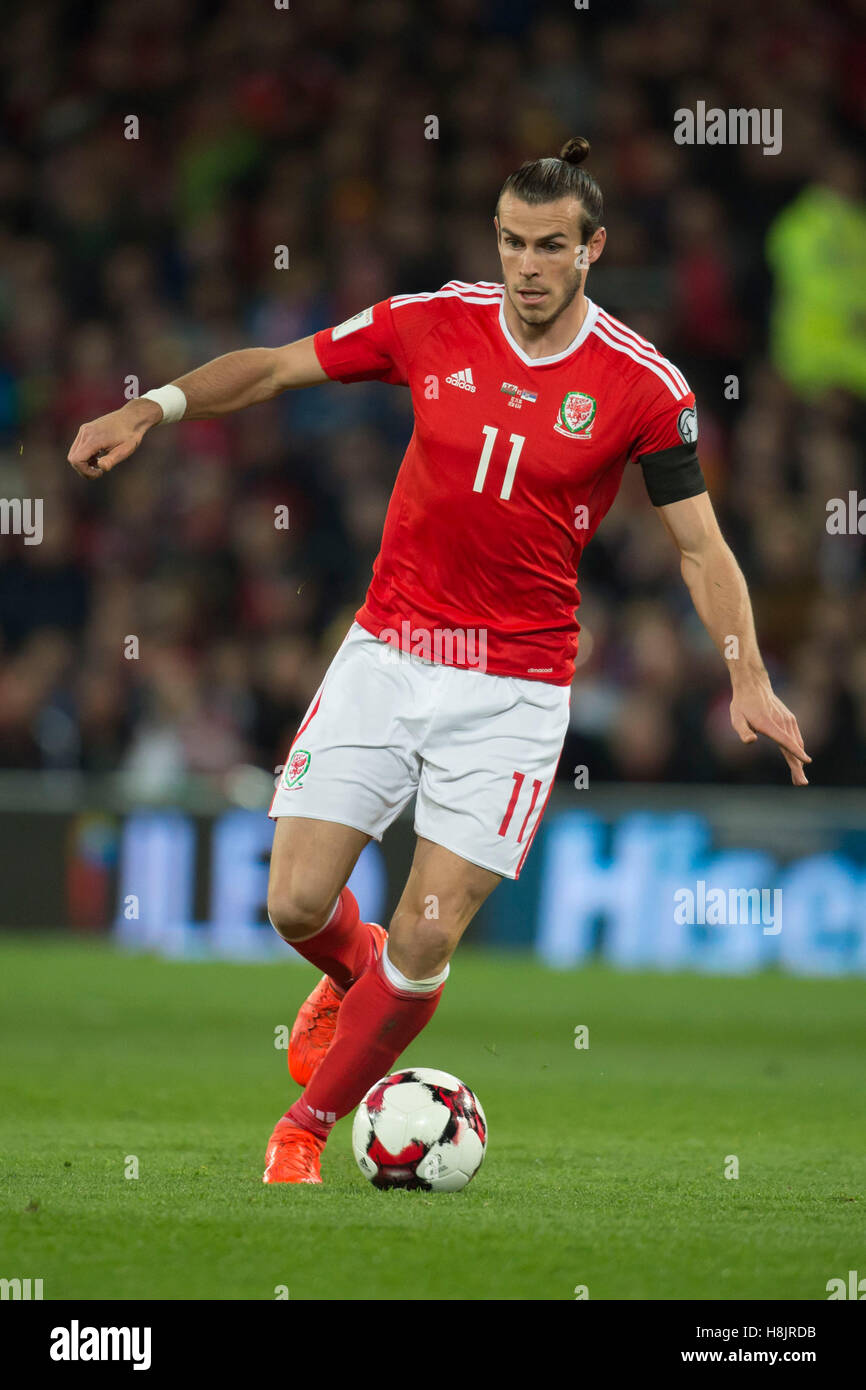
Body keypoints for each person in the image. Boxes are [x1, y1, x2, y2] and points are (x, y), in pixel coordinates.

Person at [68, 137, 811, 1185]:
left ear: (591, 249)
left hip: (512, 688)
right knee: (292, 905)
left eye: (550, 246)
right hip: (389, 648)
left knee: (425, 933)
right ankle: (350, 967)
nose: (526, 265)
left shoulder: (641, 386)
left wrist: (747, 677)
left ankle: (304, 1131)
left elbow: (698, 546)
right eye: (510, 241)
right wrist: (155, 406)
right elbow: (278, 366)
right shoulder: (432, 321)